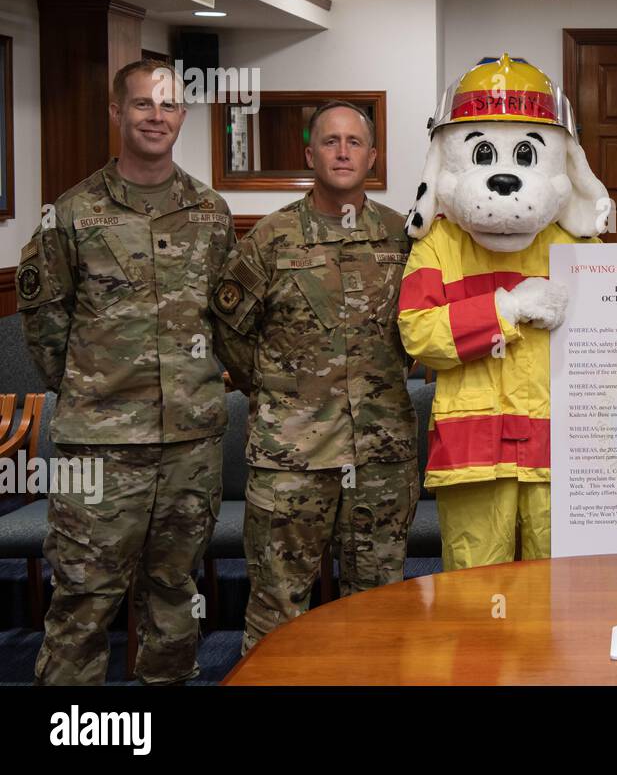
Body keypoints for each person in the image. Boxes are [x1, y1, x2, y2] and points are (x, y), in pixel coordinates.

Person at [19, 59, 233, 684]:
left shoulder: (211, 212)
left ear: (183, 116)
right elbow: (45, 325)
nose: (156, 117)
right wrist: (96, 391)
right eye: (142, 105)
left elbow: (225, 320)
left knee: (174, 595)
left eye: (167, 107)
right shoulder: (73, 212)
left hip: (190, 444)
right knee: (83, 600)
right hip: (101, 446)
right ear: (116, 113)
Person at [210, 101, 418, 654]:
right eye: (330, 141)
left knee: (377, 605)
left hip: (380, 456)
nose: (343, 151)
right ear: (310, 154)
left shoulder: (403, 238)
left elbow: (423, 325)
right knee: (278, 609)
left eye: (354, 142)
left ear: (373, 156)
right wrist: (279, 392)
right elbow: (229, 329)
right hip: (291, 460)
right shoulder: (271, 239)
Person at [398, 54, 607, 570]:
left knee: (560, 597)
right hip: (474, 458)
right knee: (475, 605)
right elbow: (418, 335)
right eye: (484, 153)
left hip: (562, 457)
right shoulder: (438, 246)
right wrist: (505, 310)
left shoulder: (580, 247)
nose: (505, 177)